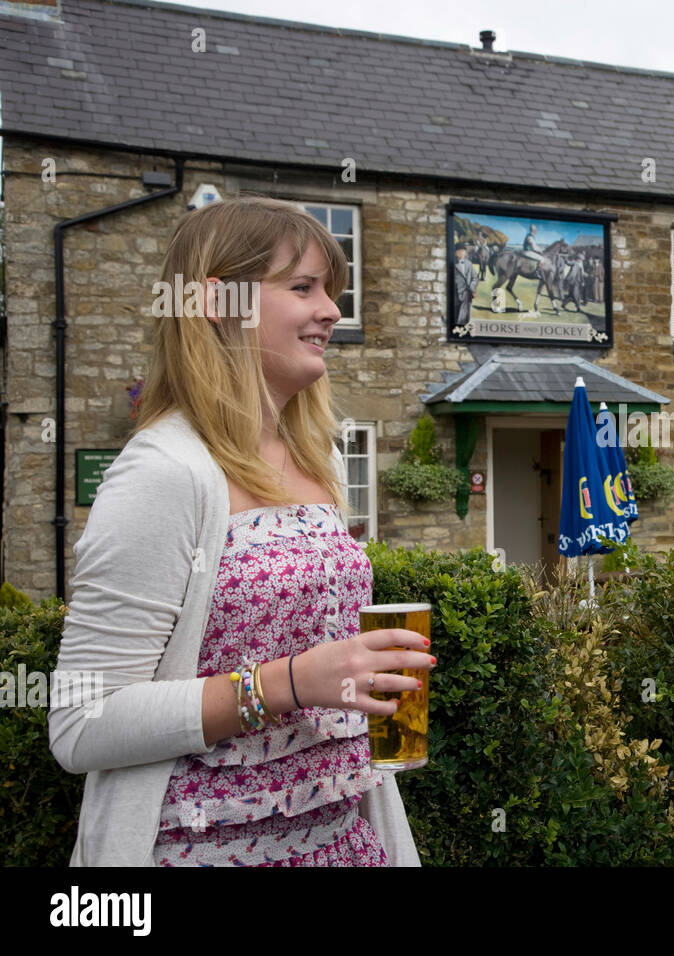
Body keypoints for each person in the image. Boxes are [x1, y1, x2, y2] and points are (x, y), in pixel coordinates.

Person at [50, 196, 435, 866]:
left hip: (344, 843)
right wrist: (287, 682)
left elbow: (324, 674)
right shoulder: (162, 473)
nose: (332, 311)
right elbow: (82, 724)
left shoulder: (321, 459)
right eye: (302, 287)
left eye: (332, 291)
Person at [454, 242, 478, 327]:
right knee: (456, 318)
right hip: (456, 295)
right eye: (459, 251)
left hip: (467, 295)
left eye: (463, 251)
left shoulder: (469, 264)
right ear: (455, 252)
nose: (461, 253)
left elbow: (475, 278)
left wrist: (472, 289)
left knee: (465, 318)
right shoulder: (452, 264)